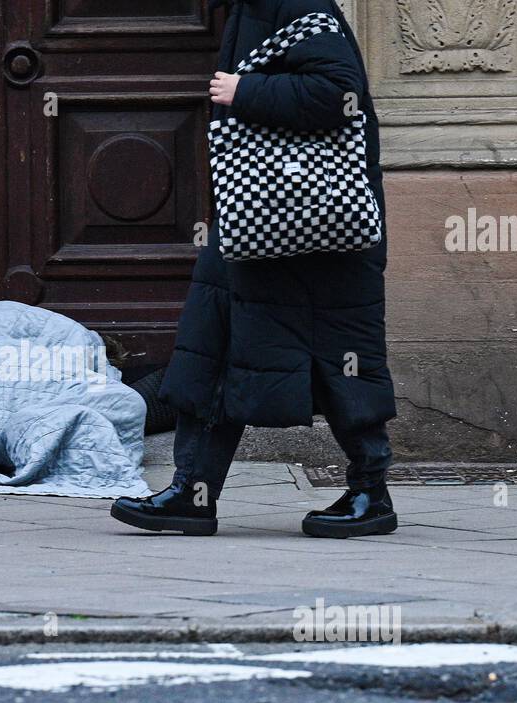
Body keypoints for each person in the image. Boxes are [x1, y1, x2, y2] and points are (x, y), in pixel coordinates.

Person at [111, 0, 397, 539]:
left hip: (314, 230)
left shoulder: (295, 0)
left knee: (338, 362)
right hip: (262, 223)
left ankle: (370, 492)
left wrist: (245, 91)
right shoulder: (254, 5)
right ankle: (191, 495)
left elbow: (340, 92)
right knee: (213, 350)